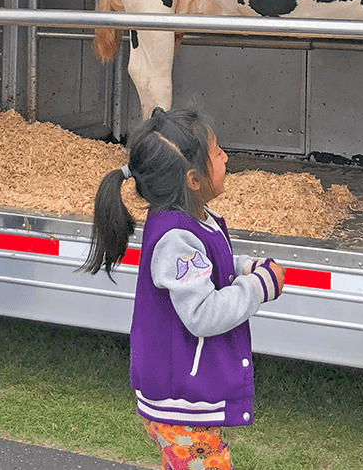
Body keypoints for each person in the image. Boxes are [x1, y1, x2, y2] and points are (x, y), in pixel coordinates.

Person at [83, 108, 287, 470]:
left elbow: (208, 270)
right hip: (182, 400)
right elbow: (202, 313)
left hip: (186, 396)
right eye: (217, 152)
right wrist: (256, 288)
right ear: (193, 180)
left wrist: (245, 269)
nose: (225, 156)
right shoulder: (176, 237)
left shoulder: (194, 222)